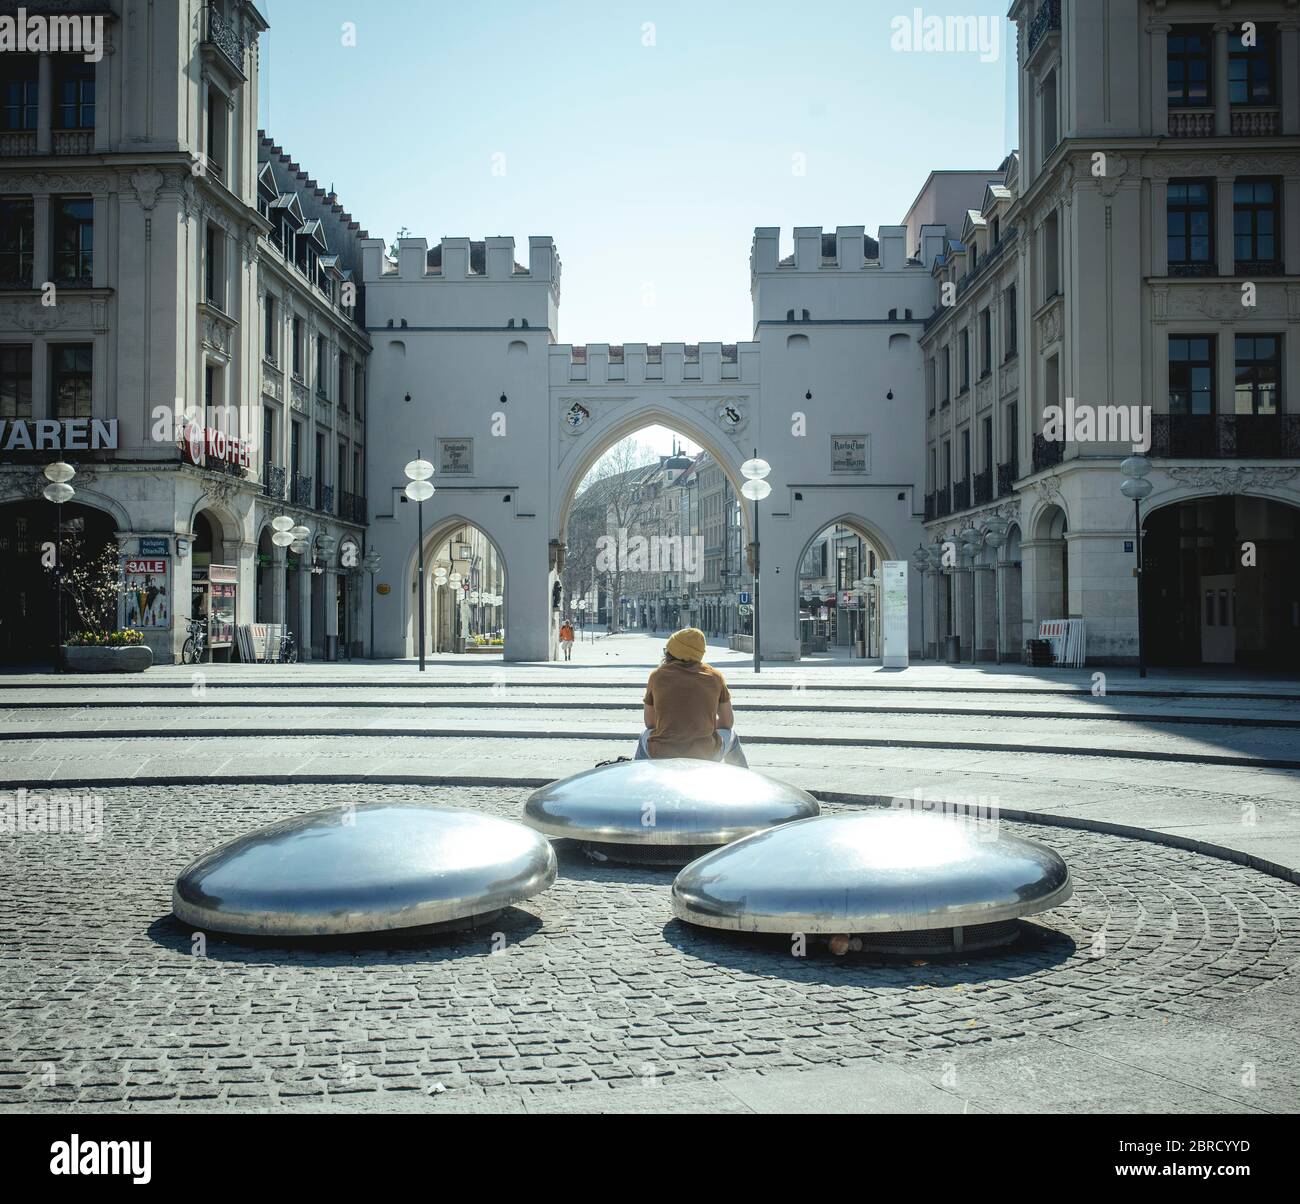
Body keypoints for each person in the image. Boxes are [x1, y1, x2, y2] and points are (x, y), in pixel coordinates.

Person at [636, 627, 748, 767]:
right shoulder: (715, 677)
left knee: (644, 735)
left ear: (671, 651)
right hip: (705, 754)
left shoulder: (657, 676)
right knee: (732, 737)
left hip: (662, 753)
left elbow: (650, 723)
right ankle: (746, 783)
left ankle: (638, 782)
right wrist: (704, 725)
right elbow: (727, 723)